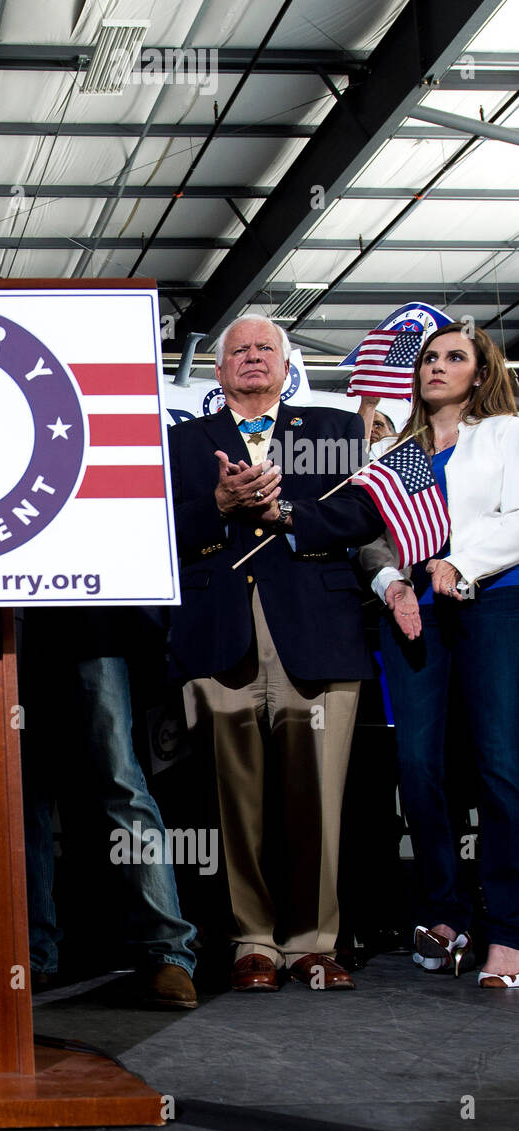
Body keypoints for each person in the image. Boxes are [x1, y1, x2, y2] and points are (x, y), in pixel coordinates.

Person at [168, 315, 382, 992]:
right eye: (239, 350)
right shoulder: (181, 442)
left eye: (266, 348)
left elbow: (366, 516)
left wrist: (284, 514)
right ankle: (252, 940)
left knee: (318, 793)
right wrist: (218, 503)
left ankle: (312, 942)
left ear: (287, 367)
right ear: (219, 370)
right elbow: (157, 529)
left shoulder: (337, 430)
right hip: (219, 630)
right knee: (236, 798)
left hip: (318, 628)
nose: (253, 357)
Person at [358, 323, 519, 989]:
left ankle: (508, 929)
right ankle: (445, 912)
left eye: (455, 357)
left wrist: (461, 562)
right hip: (414, 612)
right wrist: (390, 583)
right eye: (429, 357)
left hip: (496, 603)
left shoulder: (506, 433)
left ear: (480, 374)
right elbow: (373, 536)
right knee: (419, 764)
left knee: (500, 765)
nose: (437, 366)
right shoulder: (398, 450)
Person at [20, 610, 200, 1007]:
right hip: (0, 620)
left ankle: (168, 951)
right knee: (21, 790)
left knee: (120, 781)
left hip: (92, 620)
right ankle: (32, 952)